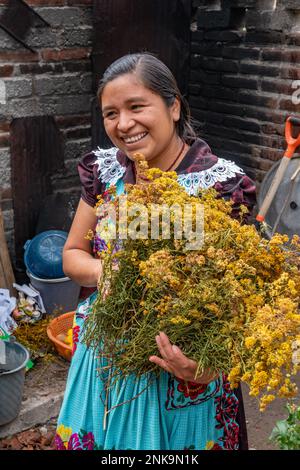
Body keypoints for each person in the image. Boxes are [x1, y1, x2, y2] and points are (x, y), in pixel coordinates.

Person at [55, 53, 256, 451]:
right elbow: (73, 253)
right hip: (106, 366)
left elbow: (248, 302)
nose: (123, 124)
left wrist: (208, 367)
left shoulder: (220, 189)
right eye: (111, 113)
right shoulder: (107, 173)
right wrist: (104, 272)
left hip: (184, 380)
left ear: (174, 105)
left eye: (136, 106)